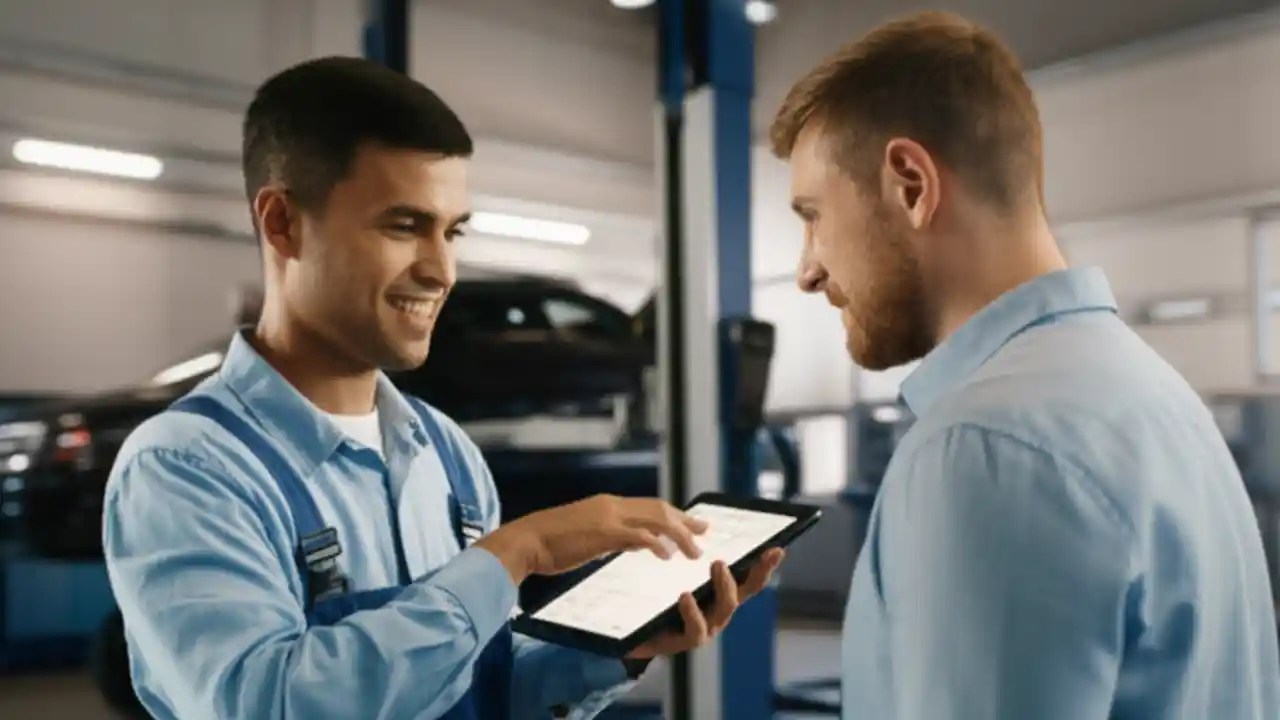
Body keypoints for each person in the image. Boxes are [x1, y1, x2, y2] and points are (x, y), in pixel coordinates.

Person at [103, 56, 785, 720]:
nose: (442, 270)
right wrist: (516, 552)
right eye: (404, 226)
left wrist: (613, 650)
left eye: (452, 232)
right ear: (282, 222)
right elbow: (267, 704)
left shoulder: (445, 453)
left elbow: (483, 686)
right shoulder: (187, 467)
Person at [769, 12, 1279, 720]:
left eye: (812, 216)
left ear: (911, 185)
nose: (807, 271)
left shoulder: (983, 446)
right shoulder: (1152, 392)